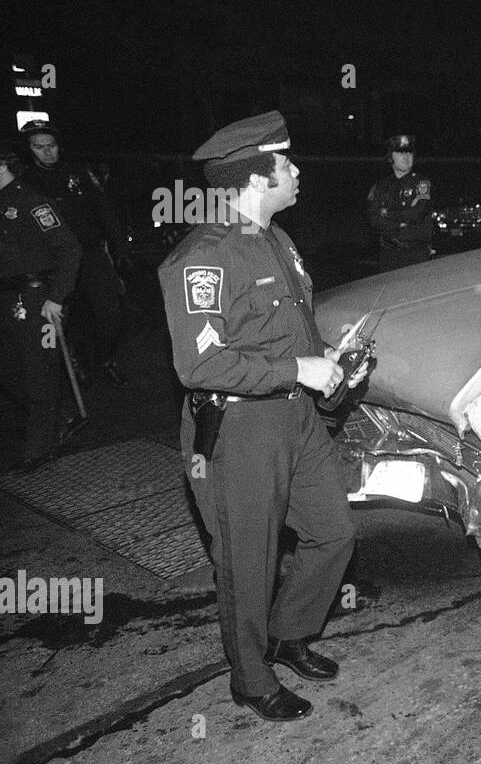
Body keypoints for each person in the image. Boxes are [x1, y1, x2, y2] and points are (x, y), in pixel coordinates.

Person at [159, 111, 369, 722]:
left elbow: (289, 332)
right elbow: (200, 366)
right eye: (286, 163)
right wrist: (296, 371)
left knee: (336, 531)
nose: (297, 171)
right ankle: (251, 678)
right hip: (240, 429)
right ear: (255, 177)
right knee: (247, 558)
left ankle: (288, 633)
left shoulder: (279, 240)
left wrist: (326, 359)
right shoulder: (201, 258)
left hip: (296, 419)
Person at [20, 120, 129, 385]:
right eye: (39, 147)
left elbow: (104, 210)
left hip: (90, 255)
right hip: (52, 262)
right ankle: (75, 368)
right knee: (62, 321)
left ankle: (106, 359)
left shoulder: (78, 174)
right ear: (30, 149)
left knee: (109, 314)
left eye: (52, 145)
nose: (47, 152)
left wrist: (121, 247)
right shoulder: (25, 184)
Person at [0, 144, 82, 473]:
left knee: (39, 372)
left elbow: (69, 247)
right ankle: (54, 413)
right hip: (5, 300)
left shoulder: (30, 200)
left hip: (37, 300)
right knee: (8, 371)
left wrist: (57, 296)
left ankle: (40, 446)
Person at [366, 134, 433, 252]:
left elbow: (417, 214)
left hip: (414, 252)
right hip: (388, 253)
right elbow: (374, 220)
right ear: (391, 157)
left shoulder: (421, 183)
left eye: (409, 153)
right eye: (401, 153)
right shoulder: (381, 186)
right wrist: (400, 223)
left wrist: (388, 216)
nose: (406, 156)